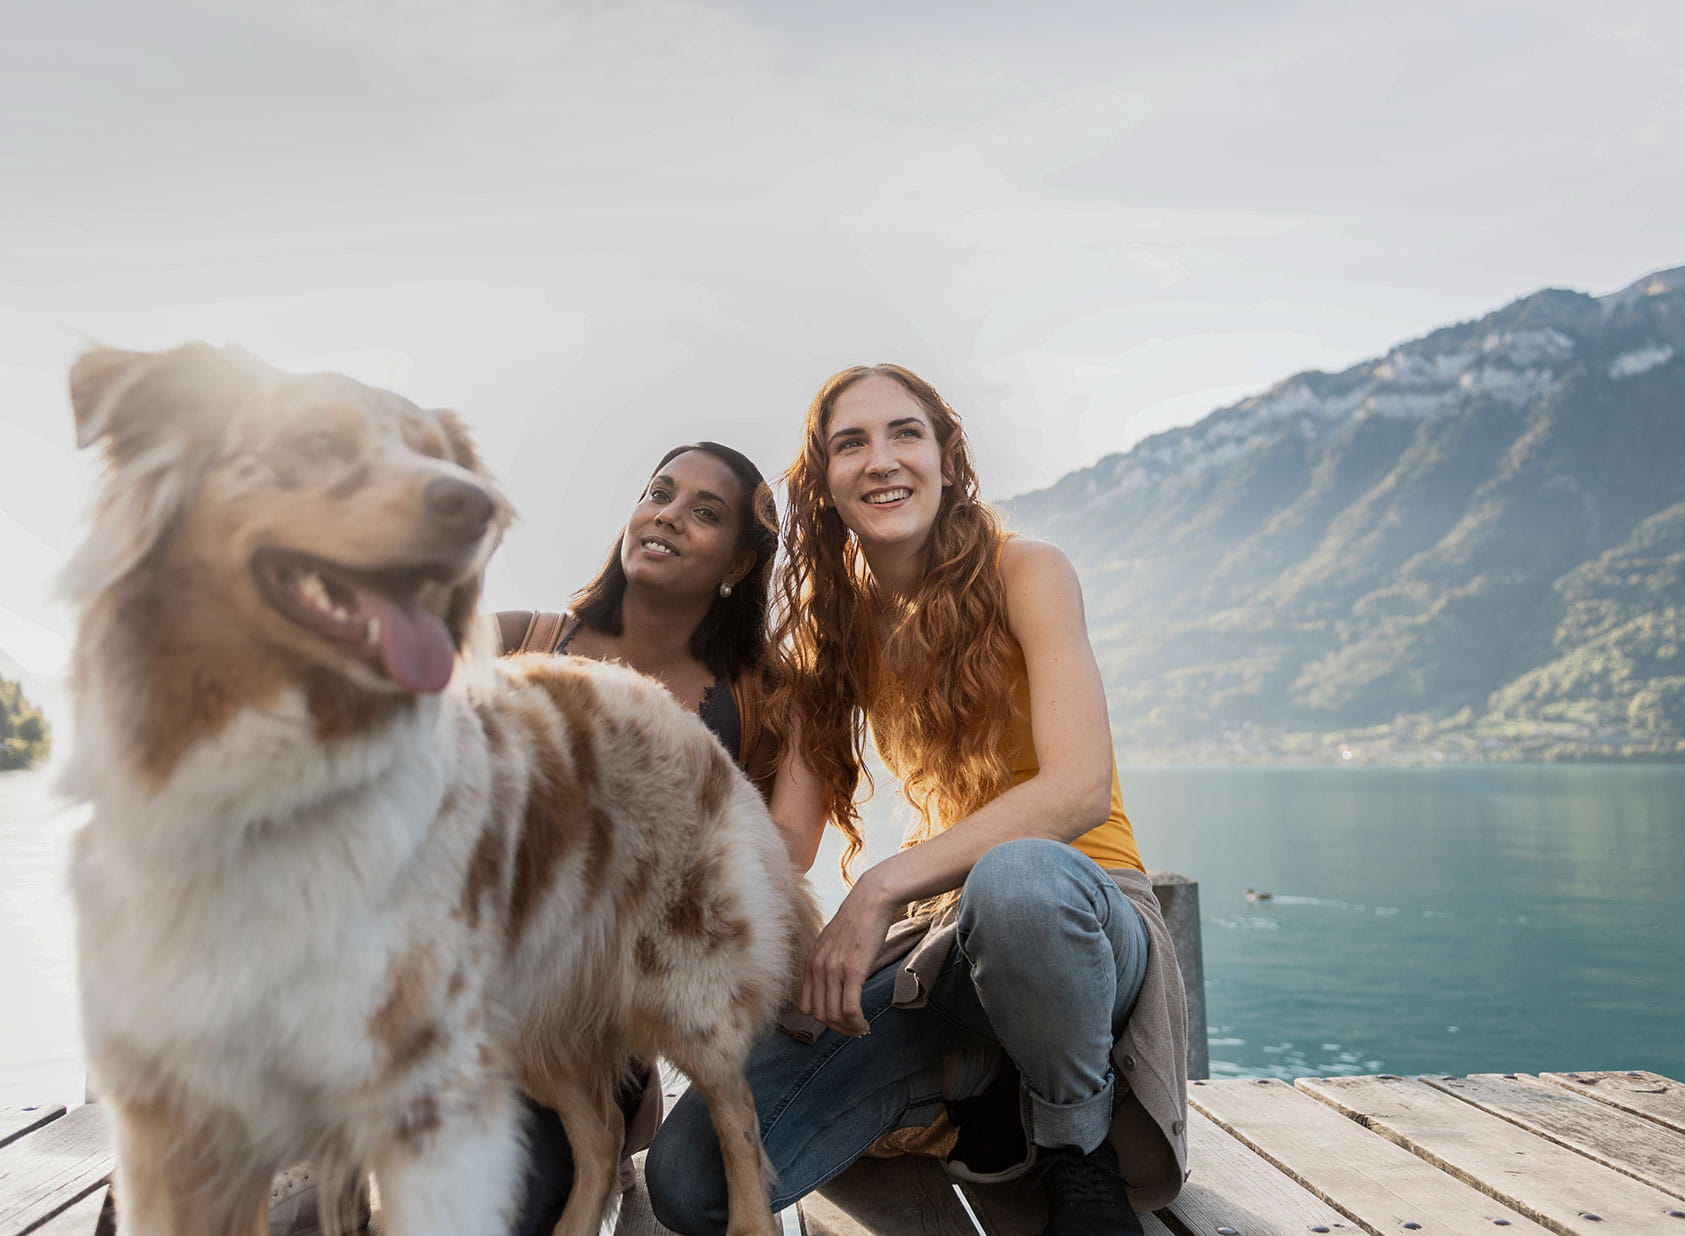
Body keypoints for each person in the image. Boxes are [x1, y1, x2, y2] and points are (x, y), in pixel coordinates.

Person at [644, 366, 1189, 1236]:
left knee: (1019, 887)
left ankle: (1077, 1154)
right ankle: (974, 1079)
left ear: (946, 454)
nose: (880, 460)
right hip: (942, 950)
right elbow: (787, 838)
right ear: (823, 482)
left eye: (904, 433)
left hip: (1078, 921)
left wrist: (879, 886)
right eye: (849, 443)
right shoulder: (834, 629)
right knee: (694, 1182)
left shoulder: (1029, 570)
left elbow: (1079, 787)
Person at [495, 440, 779, 1236]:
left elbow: (775, 862)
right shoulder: (519, 637)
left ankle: (611, 1166)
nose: (669, 516)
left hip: (620, 997)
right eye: (660, 492)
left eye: (705, 512)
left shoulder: (760, 700)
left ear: (738, 563)